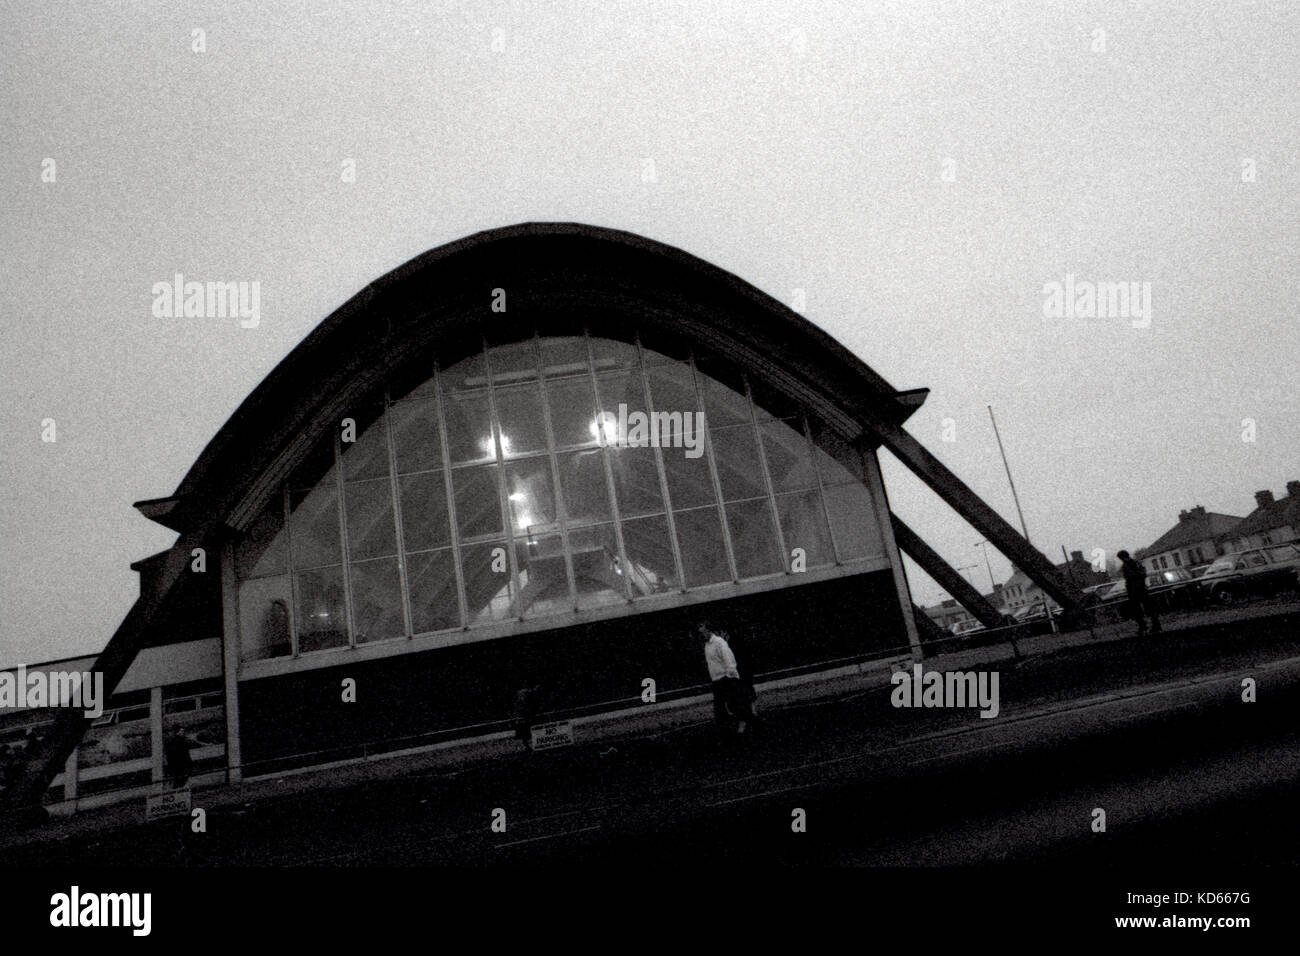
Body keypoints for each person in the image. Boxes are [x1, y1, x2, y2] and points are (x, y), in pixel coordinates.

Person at [699, 622, 755, 736]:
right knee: (719, 707)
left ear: (709, 630)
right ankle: (724, 729)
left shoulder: (720, 643)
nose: (701, 635)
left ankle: (749, 721)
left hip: (726, 679)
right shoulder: (707, 645)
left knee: (734, 705)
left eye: (703, 632)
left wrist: (732, 677)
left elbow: (729, 660)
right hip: (716, 681)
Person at [1117, 550, 1161, 636]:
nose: (1122, 560)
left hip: (1139, 589)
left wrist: (1134, 579)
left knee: (1148, 608)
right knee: (1137, 610)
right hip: (1135, 590)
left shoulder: (1133, 564)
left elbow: (1141, 574)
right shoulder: (1128, 565)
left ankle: (1153, 626)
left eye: (1122, 558)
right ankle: (1145, 626)